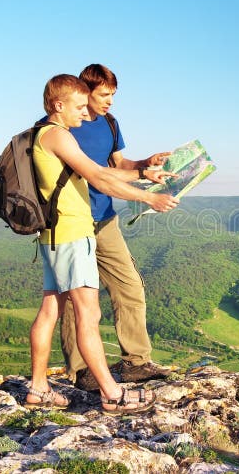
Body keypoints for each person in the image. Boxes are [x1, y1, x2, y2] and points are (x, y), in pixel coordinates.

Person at [25, 74, 178, 413]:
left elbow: (105, 170)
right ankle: (112, 393)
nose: (84, 113)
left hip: (54, 234)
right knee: (88, 313)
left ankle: (38, 388)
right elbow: (97, 177)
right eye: (80, 106)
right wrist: (147, 198)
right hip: (72, 232)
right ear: (59, 105)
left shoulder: (45, 135)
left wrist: (142, 172)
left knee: (51, 310)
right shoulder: (58, 137)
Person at [59, 64, 176, 391]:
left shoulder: (110, 123)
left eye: (113, 95)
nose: (110, 101)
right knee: (75, 297)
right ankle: (81, 371)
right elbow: (99, 177)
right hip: (71, 220)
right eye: (104, 95)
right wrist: (147, 196)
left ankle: (136, 363)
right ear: (85, 91)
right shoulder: (65, 128)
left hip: (105, 219)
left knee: (129, 285)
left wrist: (144, 164)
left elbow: (117, 165)